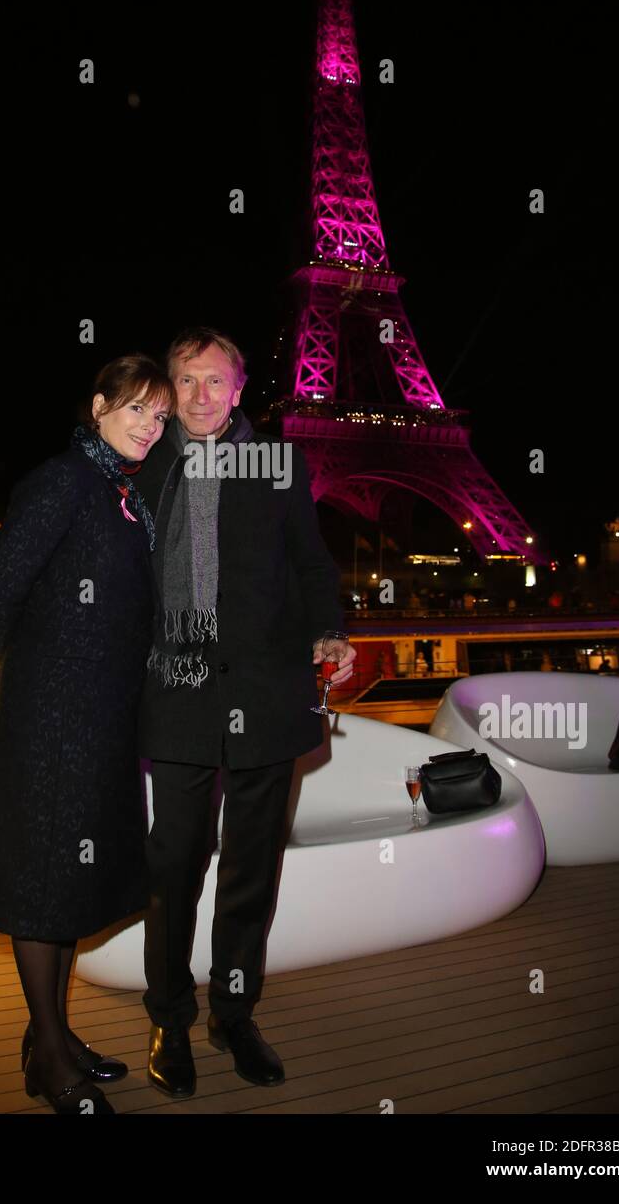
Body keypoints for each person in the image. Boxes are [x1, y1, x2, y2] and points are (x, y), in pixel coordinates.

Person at [132, 326, 356, 1098]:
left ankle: (233, 1012)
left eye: (214, 381)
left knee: (251, 873)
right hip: (179, 694)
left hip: (265, 695)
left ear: (239, 388)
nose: (200, 396)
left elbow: (312, 566)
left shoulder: (279, 463)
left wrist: (331, 632)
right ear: (170, 388)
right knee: (173, 869)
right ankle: (168, 1018)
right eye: (185, 381)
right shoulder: (144, 462)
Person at [0, 354, 174, 1114]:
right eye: (138, 408)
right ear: (100, 406)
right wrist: (37, 678)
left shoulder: (118, 491)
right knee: (43, 887)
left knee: (67, 883)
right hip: (54, 725)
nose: (151, 425)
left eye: (161, 416)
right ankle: (49, 1056)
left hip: (99, 724)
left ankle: (52, 1034)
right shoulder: (65, 480)